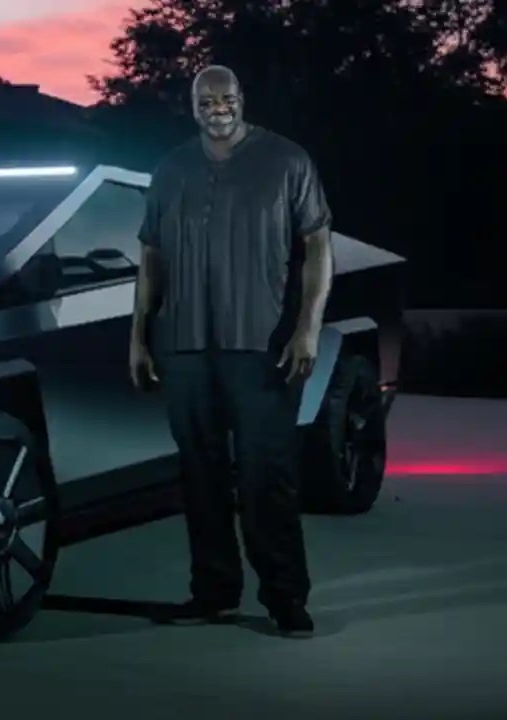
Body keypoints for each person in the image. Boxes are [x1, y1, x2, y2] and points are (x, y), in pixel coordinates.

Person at [129, 65, 334, 637]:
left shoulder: (288, 161)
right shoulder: (171, 169)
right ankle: (213, 591)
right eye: (204, 99)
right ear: (191, 105)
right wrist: (139, 336)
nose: (216, 106)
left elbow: (317, 245)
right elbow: (151, 256)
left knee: (267, 477)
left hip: (261, 344)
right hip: (185, 345)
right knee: (200, 474)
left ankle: (286, 597)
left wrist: (307, 328)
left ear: (241, 99)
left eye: (226, 96)